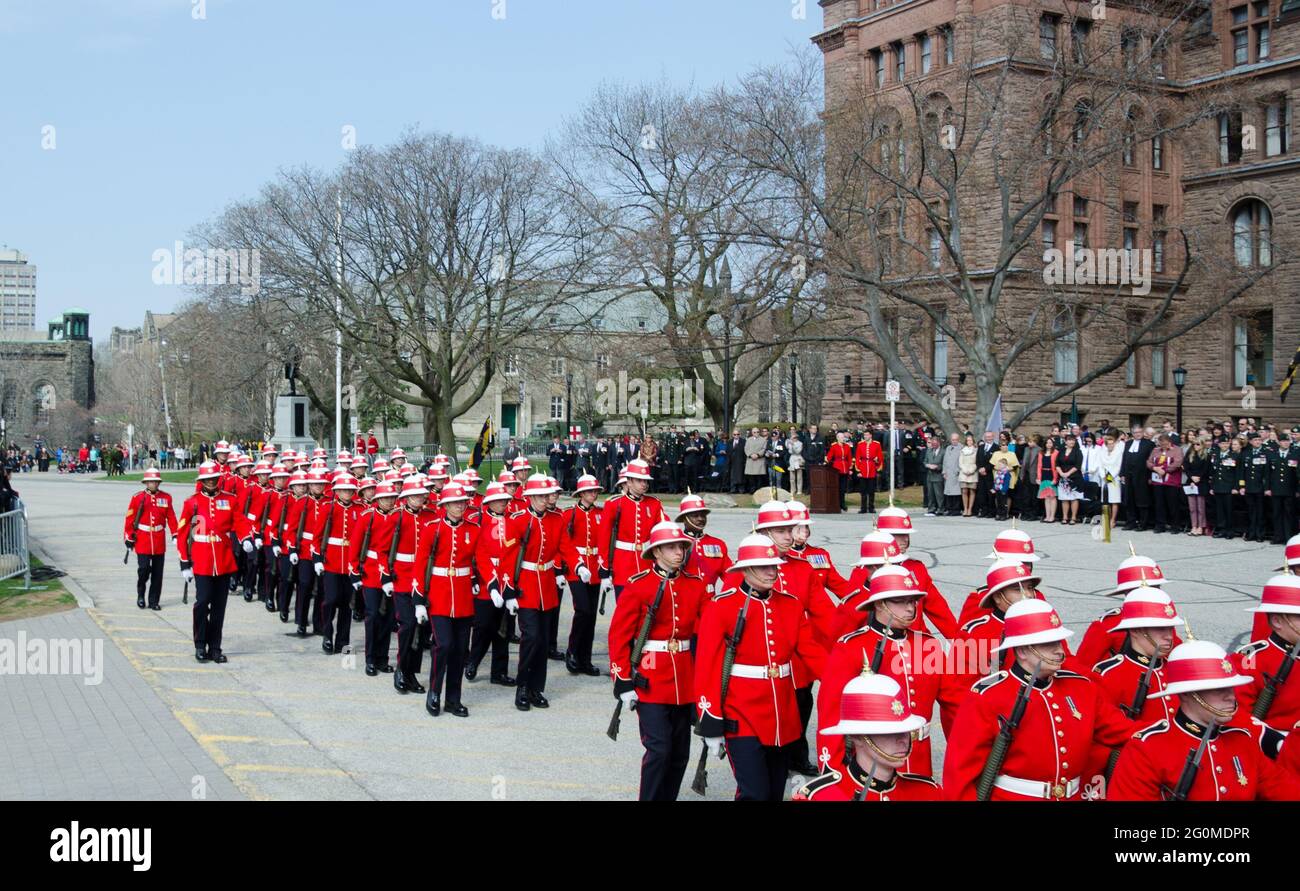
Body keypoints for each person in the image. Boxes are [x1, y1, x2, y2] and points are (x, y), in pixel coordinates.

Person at [943, 598, 1136, 800]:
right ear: (1023, 650)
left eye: (1058, 642)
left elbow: (1123, 732)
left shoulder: (1081, 688)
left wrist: (1167, 732)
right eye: (1048, 644)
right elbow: (959, 773)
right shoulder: (988, 696)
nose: (1059, 650)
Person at [694, 533, 820, 801]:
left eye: (773, 565)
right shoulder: (721, 607)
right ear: (745, 570)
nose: (771, 571)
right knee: (755, 793)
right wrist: (710, 721)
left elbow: (813, 654)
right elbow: (707, 668)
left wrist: (846, 681)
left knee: (774, 792)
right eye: (764, 566)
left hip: (782, 714)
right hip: (741, 712)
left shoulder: (791, 605)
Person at [816, 565, 965, 778]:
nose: (910, 608)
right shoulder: (851, 647)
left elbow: (956, 702)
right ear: (879, 603)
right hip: (872, 759)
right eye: (900, 601)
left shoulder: (928, 645)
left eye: (913, 600)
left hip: (920, 758)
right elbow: (831, 712)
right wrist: (832, 768)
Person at [1110, 640, 1300, 800]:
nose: (1231, 697)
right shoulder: (1147, 749)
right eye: (1218, 690)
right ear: (1185, 694)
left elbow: (1285, 789)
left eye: (1231, 687)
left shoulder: (1242, 740)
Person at [608, 521, 707, 800]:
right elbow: (619, 636)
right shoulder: (640, 585)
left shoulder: (695, 585)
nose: (679, 552)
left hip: (684, 679)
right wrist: (622, 679)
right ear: (657, 552)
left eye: (682, 547)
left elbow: (710, 627)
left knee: (679, 754)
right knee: (659, 748)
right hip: (651, 679)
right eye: (672, 547)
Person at [795, 673, 942, 801]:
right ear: (857, 736)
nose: (903, 739)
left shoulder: (929, 792)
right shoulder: (820, 797)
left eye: (906, 730)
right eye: (889, 732)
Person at [412, 482, 480, 718]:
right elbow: (421, 564)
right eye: (454, 502)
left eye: (462, 502)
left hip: (463, 598)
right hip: (439, 597)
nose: (459, 506)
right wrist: (419, 599)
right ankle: (434, 692)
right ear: (445, 505)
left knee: (460, 651)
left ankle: (453, 699)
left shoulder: (473, 528)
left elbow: (480, 559)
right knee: (444, 646)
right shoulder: (433, 528)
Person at [502, 474, 566, 711]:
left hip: (547, 584)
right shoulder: (518, 520)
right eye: (540, 496)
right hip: (526, 586)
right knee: (531, 638)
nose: (545, 500)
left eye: (547, 495)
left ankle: (536, 688)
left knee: (543, 641)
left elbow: (565, 546)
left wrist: (578, 564)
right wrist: (508, 589)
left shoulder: (556, 519)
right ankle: (522, 686)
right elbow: (508, 558)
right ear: (529, 497)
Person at [177, 461, 239, 664]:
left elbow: (240, 521)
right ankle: (199, 644)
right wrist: (185, 563)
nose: (211, 482)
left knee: (219, 608)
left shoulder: (230, 500)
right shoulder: (191, 503)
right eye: (207, 479)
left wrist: (248, 537)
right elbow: (183, 534)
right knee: (202, 604)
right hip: (202, 561)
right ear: (201, 481)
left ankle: (215, 648)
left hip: (223, 560)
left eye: (214, 478)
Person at [558, 474, 603, 676]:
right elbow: (562, 543)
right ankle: (572, 651)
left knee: (591, 615)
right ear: (581, 493)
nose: (593, 494)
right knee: (582, 610)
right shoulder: (569, 514)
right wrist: (562, 568)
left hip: (594, 567)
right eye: (590, 491)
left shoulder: (600, 513)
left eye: (595, 491)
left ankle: (586, 659)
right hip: (576, 567)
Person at [123, 467, 178, 611]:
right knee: (143, 569)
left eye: (156, 481)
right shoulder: (138, 498)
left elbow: (171, 517)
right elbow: (130, 519)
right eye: (150, 481)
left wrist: (175, 533)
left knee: (158, 574)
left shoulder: (166, 498)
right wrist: (128, 537)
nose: (153, 484)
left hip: (159, 539)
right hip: (143, 539)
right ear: (146, 483)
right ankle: (141, 594)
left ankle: (154, 601)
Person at [1146, 433, 1184, 534]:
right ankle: (1160, 525)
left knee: (1172, 504)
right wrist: (1154, 468)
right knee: (1159, 504)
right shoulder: (1155, 450)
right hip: (1158, 481)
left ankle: (1175, 525)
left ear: (1169, 442)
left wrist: (1165, 470)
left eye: (1165, 444)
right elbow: (1149, 462)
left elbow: (1177, 463)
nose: (1163, 446)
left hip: (1171, 481)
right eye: (1161, 444)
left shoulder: (1177, 450)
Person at [1120, 426, 1155, 530]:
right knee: (1129, 499)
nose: (1137, 434)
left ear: (1143, 432)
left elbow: (1150, 461)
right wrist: (1122, 474)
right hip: (1129, 475)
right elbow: (1124, 459)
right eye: (1135, 432)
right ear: (1132, 433)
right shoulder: (1128, 444)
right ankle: (1131, 522)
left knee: (1142, 499)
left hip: (1142, 476)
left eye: (1139, 432)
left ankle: (1143, 523)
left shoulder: (1149, 444)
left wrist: (1150, 476)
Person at [1267, 430, 1298, 543]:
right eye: (1283, 441)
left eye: (1287, 441)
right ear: (1279, 442)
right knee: (1276, 513)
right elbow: (1268, 473)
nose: (1285, 443)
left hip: (1289, 489)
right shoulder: (1272, 454)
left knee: (1289, 513)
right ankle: (1278, 536)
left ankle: (1288, 537)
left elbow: (1297, 474)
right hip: (1275, 489)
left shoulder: (1295, 453)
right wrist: (1267, 488)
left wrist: (1298, 489)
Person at [1209, 436, 1243, 539]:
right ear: (1219, 444)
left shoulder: (1234, 455)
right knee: (1220, 510)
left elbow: (1238, 473)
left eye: (1226, 444)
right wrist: (1212, 487)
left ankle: (1230, 530)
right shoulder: (1215, 455)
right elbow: (1213, 473)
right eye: (1222, 443)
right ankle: (1222, 529)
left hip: (1229, 487)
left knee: (1229, 510)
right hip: (1218, 486)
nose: (1224, 445)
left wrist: (1236, 487)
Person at [1055, 433, 1083, 525]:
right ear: (1066, 441)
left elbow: (1077, 465)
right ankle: (1065, 517)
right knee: (1064, 498)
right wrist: (1061, 473)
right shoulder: (1061, 451)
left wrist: (1068, 473)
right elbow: (1057, 464)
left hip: (1074, 478)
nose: (1072, 441)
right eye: (1070, 440)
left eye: (1073, 440)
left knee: (1074, 498)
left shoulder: (1078, 451)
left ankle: (1073, 517)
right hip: (1063, 478)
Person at [852, 429, 883, 514]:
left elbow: (880, 456)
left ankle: (871, 507)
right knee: (863, 491)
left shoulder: (877, 444)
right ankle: (863, 508)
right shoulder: (860, 444)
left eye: (867, 435)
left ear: (871, 435)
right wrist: (858, 470)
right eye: (864, 435)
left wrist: (877, 462)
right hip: (863, 468)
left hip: (872, 468)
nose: (865, 436)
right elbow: (858, 457)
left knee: (871, 490)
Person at [1034, 437, 1059, 523]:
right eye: (1047, 443)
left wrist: (1055, 479)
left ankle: (1052, 516)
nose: (1049, 444)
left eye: (1050, 443)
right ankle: (1047, 516)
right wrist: (1038, 478)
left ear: (1053, 444)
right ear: (1045, 444)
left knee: (1052, 496)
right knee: (1046, 497)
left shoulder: (1056, 453)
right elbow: (1039, 466)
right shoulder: (1041, 453)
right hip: (1044, 475)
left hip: (1052, 475)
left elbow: (1057, 466)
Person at [827, 431, 853, 511]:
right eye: (841, 437)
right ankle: (836, 503)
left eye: (843, 437)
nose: (843, 439)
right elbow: (829, 457)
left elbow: (849, 458)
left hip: (845, 468)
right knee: (836, 488)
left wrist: (850, 469)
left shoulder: (847, 447)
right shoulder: (834, 446)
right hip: (836, 469)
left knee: (843, 488)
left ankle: (842, 503)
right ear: (837, 438)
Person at [941, 432, 962, 516]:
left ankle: (956, 510)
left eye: (956, 440)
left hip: (956, 473)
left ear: (958, 440)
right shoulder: (948, 448)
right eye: (953, 440)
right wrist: (944, 471)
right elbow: (945, 461)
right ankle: (949, 509)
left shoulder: (961, 448)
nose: (954, 441)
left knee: (956, 493)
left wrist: (958, 470)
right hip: (948, 473)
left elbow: (962, 461)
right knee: (948, 493)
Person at [786, 426, 805, 497]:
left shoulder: (800, 443)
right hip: (792, 459)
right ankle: (792, 490)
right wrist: (790, 443)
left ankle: (799, 490)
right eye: (793, 438)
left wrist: (793, 445)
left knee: (799, 476)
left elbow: (798, 451)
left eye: (795, 438)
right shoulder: (790, 443)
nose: (794, 439)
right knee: (792, 477)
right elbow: (789, 451)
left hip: (798, 458)